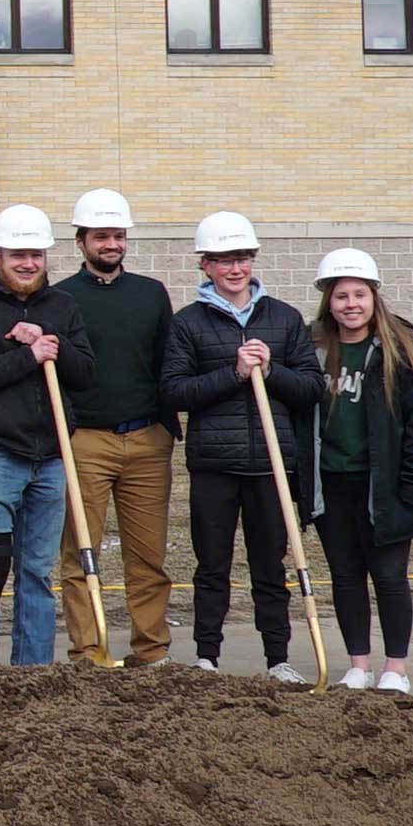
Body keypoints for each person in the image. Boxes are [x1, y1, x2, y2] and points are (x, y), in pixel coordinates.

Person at [161, 211, 326, 683]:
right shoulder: (189, 324)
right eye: (224, 260)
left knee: (270, 568)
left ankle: (278, 659)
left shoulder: (284, 318)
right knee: (211, 565)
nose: (235, 269)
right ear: (205, 265)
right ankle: (207, 657)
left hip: (273, 467)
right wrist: (232, 373)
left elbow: (312, 388)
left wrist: (272, 371)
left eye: (243, 258)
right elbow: (173, 391)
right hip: (215, 464)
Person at [0, 205, 97, 665]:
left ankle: (34, 668)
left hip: (51, 457)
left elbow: (85, 373)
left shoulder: (63, 307)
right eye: (17, 255)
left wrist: (51, 340)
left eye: (35, 254)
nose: (28, 263)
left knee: (35, 570)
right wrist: (27, 357)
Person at [309, 248, 413, 694]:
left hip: (384, 486)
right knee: (346, 577)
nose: (350, 304)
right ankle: (358, 664)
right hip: (333, 484)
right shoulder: (314, 351)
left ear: (374, 297)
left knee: (388, 577)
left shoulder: (403, 352)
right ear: (328, 302)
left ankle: (396, 668)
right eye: (340, 296)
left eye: (359, 295)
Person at [53, 189, 180, 665]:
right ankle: (88, 649)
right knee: (80, 553)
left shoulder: (150, 294)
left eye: (119, 236)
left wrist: (166, 427)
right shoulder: (61, 297)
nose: (111, 244)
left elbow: (169, 362)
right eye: (101, 236)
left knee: (148, 555)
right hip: (85, 440)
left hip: (148, 439)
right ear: (81, 241)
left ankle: (151, 650)